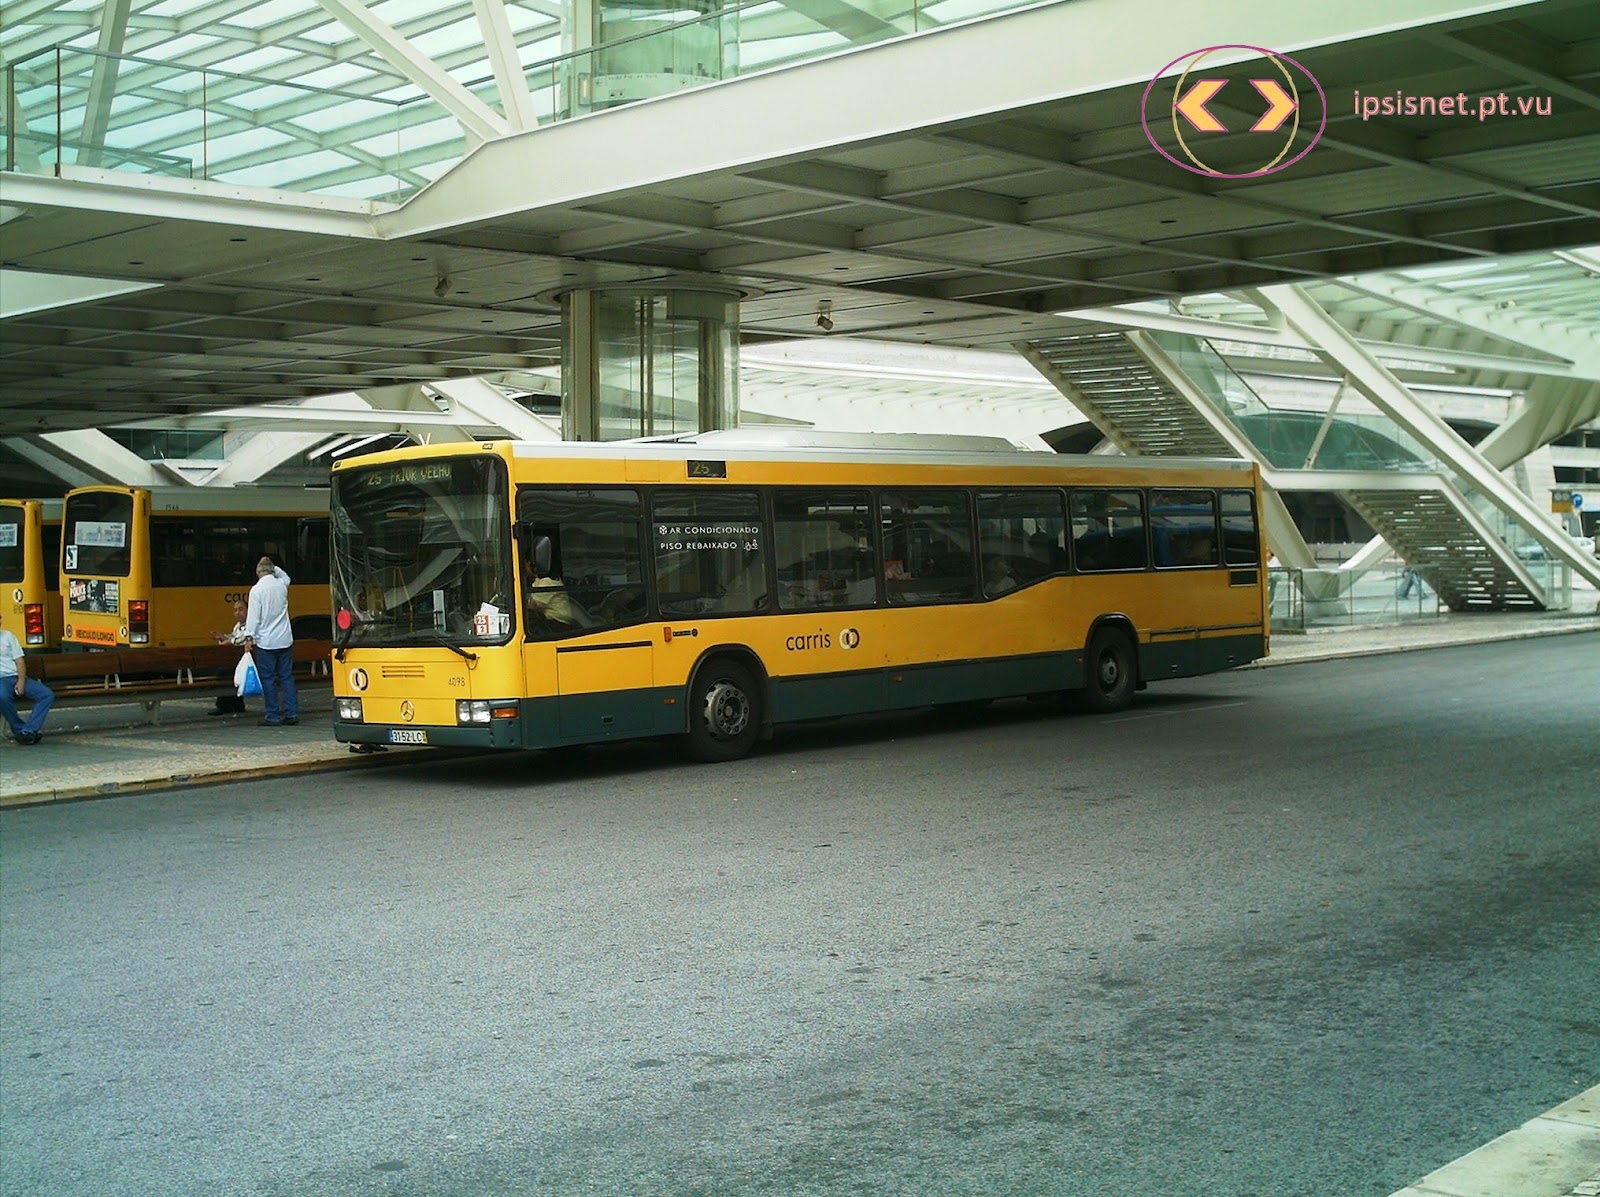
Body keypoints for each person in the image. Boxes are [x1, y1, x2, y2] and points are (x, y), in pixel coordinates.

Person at [243, 556, 299, 727]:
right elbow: (286, 577)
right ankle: (292, 713)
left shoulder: (257, 590)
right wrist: (274, 567)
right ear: (272, 571)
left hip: (266, 642)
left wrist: (248, 638)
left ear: (257, 572)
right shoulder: (281, 585)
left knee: (268, 679)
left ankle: (273, 715)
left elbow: (253, 617)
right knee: (287, 677)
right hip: (284, 639)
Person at [0, 608, 54, 746]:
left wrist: (21, 681)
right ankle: (20, 730)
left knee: (47, 694)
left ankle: (28, 730)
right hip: (1, 680)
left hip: (15, 676)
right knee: (2, 696)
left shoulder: (8, 636)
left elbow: (20, 661)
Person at [524, 538, 581, 630]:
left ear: (531, 563)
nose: (525, 568)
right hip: (550, 622)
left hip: (559, 624)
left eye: (525, 563)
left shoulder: (548, 582)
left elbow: (533, 605)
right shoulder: (539, 580)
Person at [209, 599, 251, 716]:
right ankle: (236, 704)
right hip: (238, 661)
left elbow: (242, 639)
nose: (238, 613)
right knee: (226, 672)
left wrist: (229, 641)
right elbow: (234, 636)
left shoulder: (251, 624)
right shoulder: (238, 626)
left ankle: (224, 706)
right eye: (235, 610)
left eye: (241, 609)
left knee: (222, 673)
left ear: (248, 611)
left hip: (250, 662)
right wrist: (222, 637)